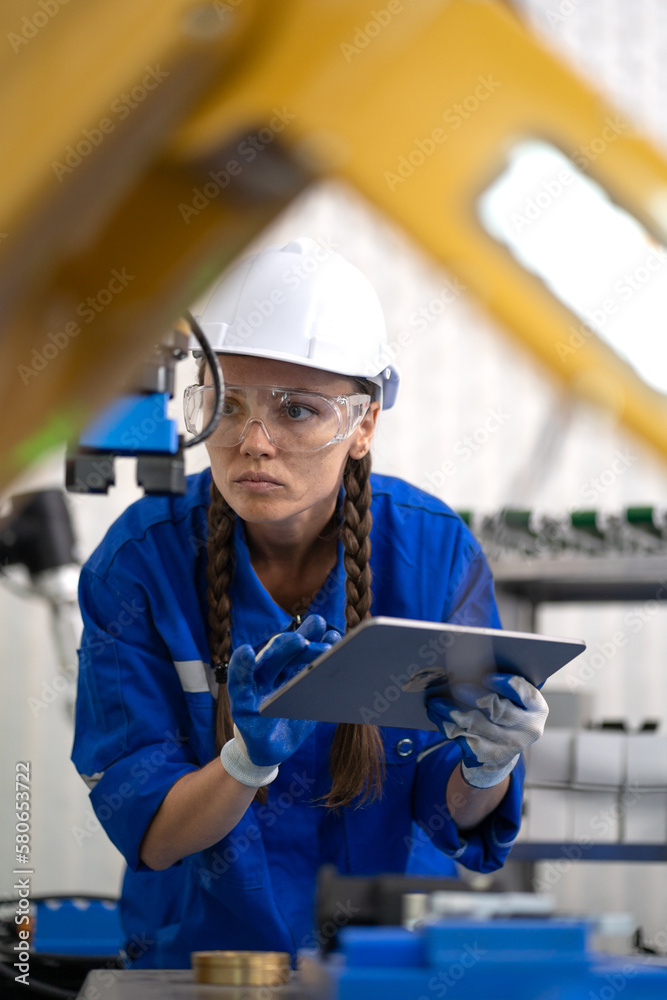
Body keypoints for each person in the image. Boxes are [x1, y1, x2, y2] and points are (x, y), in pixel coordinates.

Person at [71, 237, 548, 969]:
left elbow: (448, 811)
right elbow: (152, 832)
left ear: (363, 425)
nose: (253, 443)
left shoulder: (432, 555)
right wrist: (243, 764)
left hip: (388, 970)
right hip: (204, 968)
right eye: (225, 406)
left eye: (298, 411)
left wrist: (486, 767)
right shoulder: (139, 565)